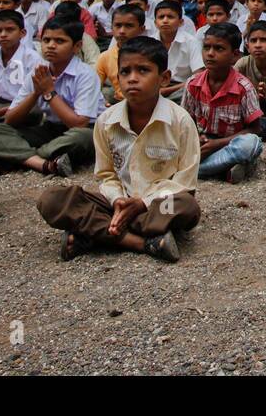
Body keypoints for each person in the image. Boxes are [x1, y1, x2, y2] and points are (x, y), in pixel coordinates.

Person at [37, 36, 201, 263]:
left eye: (143, 70)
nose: (132, 78)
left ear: (164, 78)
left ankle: (94, 234)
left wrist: (142, 204)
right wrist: (118, 202)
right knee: (52, 199)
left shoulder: (180, 121)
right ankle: (143, 242)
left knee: (187, 206)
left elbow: (185, 182)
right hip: (116, 202)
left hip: (156, 205)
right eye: (125, 72)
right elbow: (106, 175)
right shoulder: (106, 121)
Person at [0, 17, 104, 176]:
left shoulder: (85, 74)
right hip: (51, 130)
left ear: (77, 46)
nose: (51, 46)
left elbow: (79, 124)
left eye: (60, 41)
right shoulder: (39, 71)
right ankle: (41, 163)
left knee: (85, 138)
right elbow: (10, 119)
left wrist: (49, 92)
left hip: (83, 130)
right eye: (46, 40)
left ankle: (14, 157)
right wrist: (36, 93)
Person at [181, 23, 264, 183]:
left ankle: (194, 170)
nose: (210, 54)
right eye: (206, 48)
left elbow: (255, 129)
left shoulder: (243, 87)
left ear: (234, 55)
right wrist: (197, 139)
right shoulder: (193, 83)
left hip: (229, 143)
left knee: (249, 145)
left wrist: (216, 144)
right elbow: (186, 122)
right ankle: (222, 169)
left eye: (219, 49)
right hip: (202, 143)